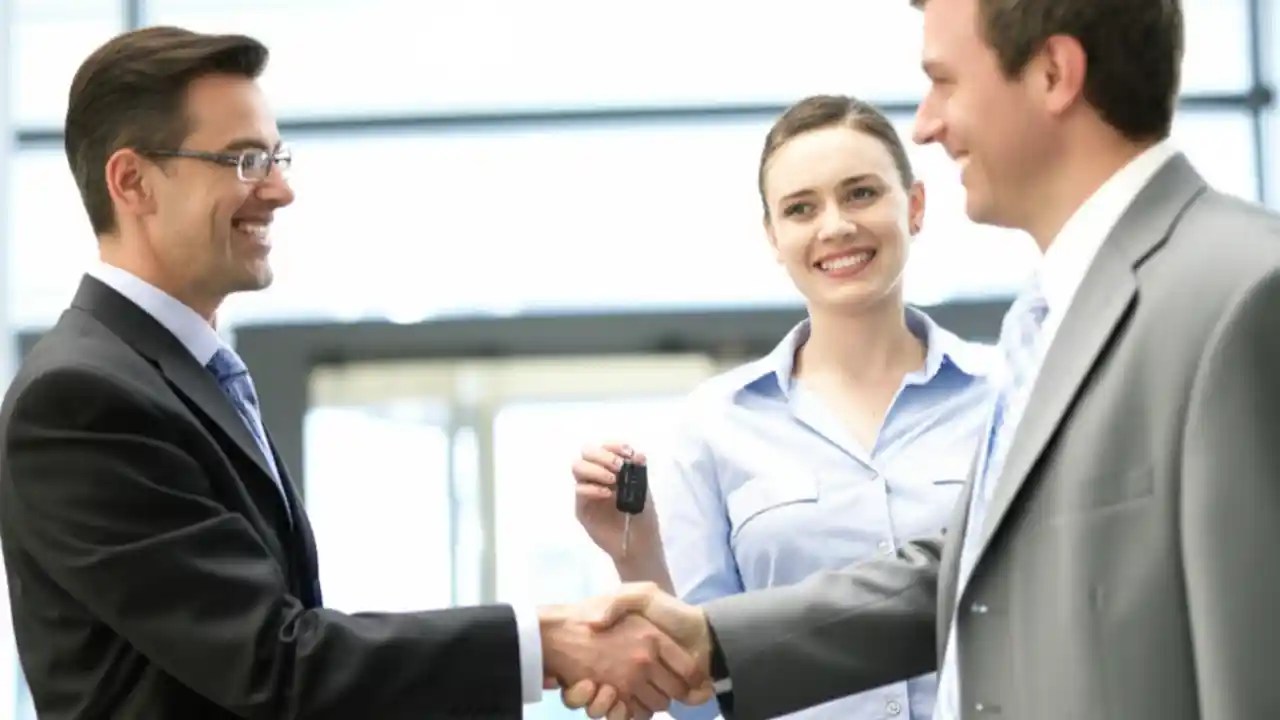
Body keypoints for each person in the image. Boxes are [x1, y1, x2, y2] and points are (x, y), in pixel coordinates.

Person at [566, 0, 1280, 718]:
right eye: (800, 208)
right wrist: (708, 639)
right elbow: (968, 573)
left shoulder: (1247, 290)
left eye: (945, 81)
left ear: (1054, 74)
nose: (928, 123)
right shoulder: (1049, 322)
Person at [0, 26, 708, 720]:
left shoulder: (178, 375)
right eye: (245, 161)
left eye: (278, 158)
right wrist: (549, 642)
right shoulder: (82, 397)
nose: (280, 191)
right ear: (133, 182)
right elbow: (270, 662)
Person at [571, 94, 995, 720]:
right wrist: (635, 555)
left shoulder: (1011, 392)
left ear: (916, 206)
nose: (835, 227)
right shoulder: (715, 424)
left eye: (861, 194)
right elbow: (699, 697)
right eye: (801, 208)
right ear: (774, 236)